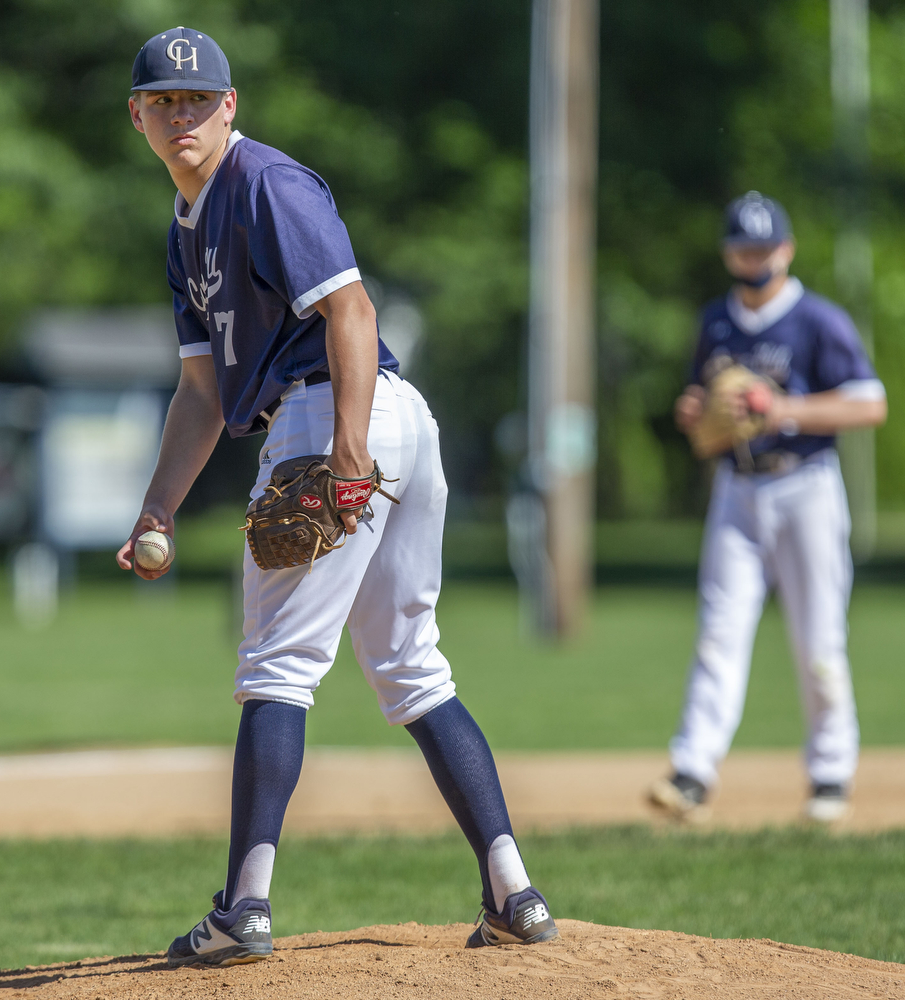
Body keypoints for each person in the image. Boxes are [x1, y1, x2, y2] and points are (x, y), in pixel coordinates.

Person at [118, 27, 558, 967]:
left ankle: (244, 910)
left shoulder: (267, 184)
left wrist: (347, 456)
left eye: (198, 100)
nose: (182, 114)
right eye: (164, 101)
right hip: (359, 419)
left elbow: (351, 310)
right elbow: (201, 393)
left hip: (340, 414)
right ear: (140, 117)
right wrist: (157, 507)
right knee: (410, 665)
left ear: (229, 107)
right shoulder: (183, 233)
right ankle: (512, 890)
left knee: (276, 668)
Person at [649, 191, 887, 824]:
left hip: (805, 485)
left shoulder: (817, 320)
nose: (755, 257)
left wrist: (787, 410)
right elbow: (702, 408)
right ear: (729, 254)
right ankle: (692, 771)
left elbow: (870, 403)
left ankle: (830, 776)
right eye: (743, 247)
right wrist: (695, 413)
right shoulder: (717, 323)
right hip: (737, 489)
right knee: (718, 632)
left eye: (765, 246)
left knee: (818, 638)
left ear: (786, 249)